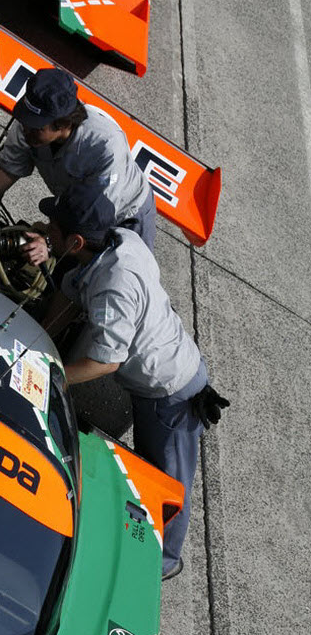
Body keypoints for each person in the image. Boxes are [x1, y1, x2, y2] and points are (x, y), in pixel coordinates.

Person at [43, 188, 227, 579]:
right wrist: (40, 341)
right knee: (148, 476)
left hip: (172, 393)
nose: (46, 230)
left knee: (168, 487)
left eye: (52, 229)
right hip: (156, 381)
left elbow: (104, 362)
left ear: (76, 241)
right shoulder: (118, 242)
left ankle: (164, 562)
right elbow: (70, 292)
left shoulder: (115, 285)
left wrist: (50, 373)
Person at [0, 66, 157, 254]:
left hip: (124, 214)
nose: (26, 129)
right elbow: (10, 168)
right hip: (79, 214)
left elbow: (92, 219)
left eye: (36, 127)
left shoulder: (105, 147)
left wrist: (48, 243)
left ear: (63, 124)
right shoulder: (29, 126)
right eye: (26, 120)